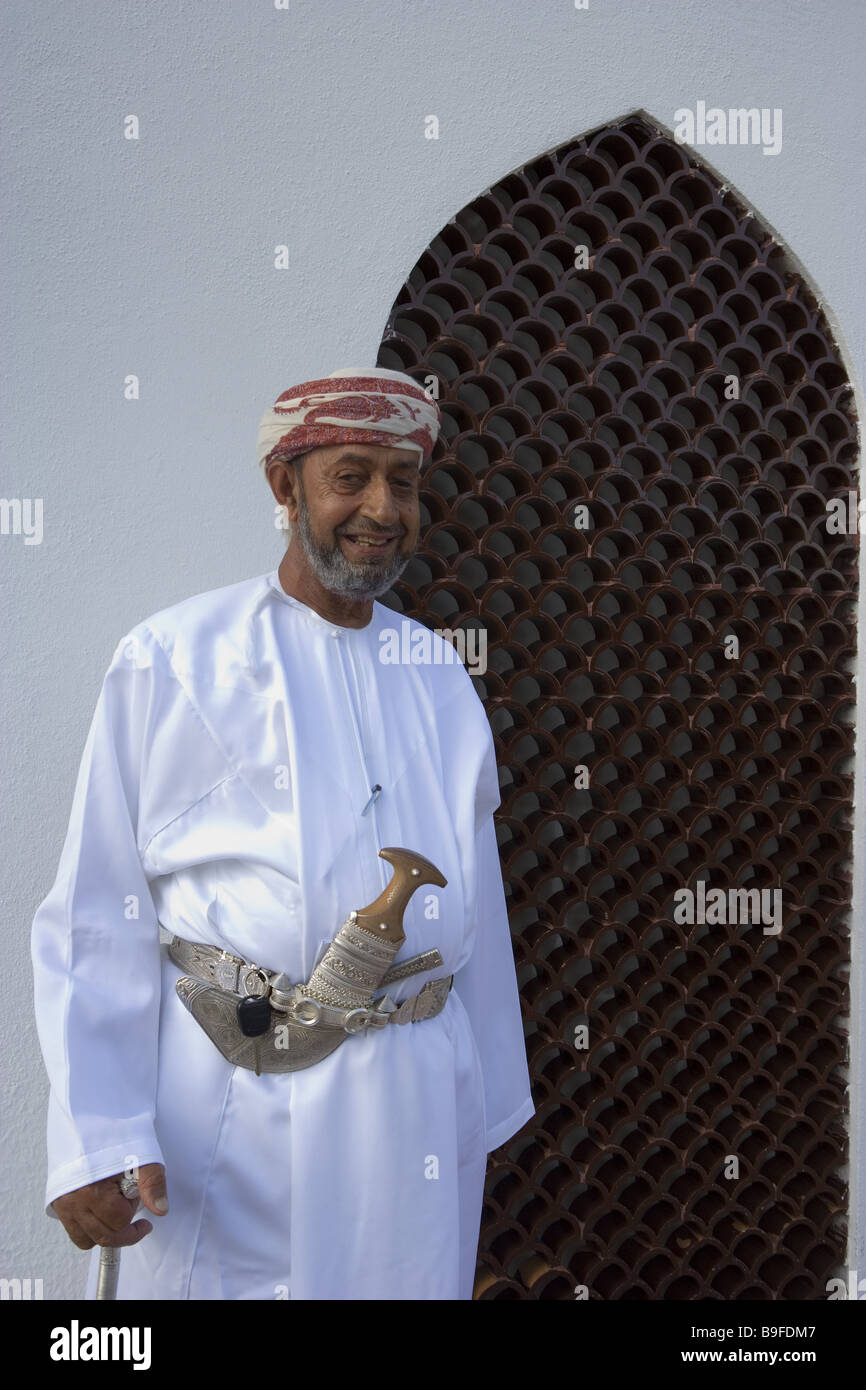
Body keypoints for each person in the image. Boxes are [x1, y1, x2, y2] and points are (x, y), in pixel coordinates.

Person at [30, 366, 535, 1300]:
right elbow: (98, 911)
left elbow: (480, 908)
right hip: (237, 1109)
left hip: (415, 1108)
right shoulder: (174, 658)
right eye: (351, 477)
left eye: (403, 482)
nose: (381, 508)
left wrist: (486, 1098)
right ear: (285, 486)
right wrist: (97, 1135)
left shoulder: (438, 676)